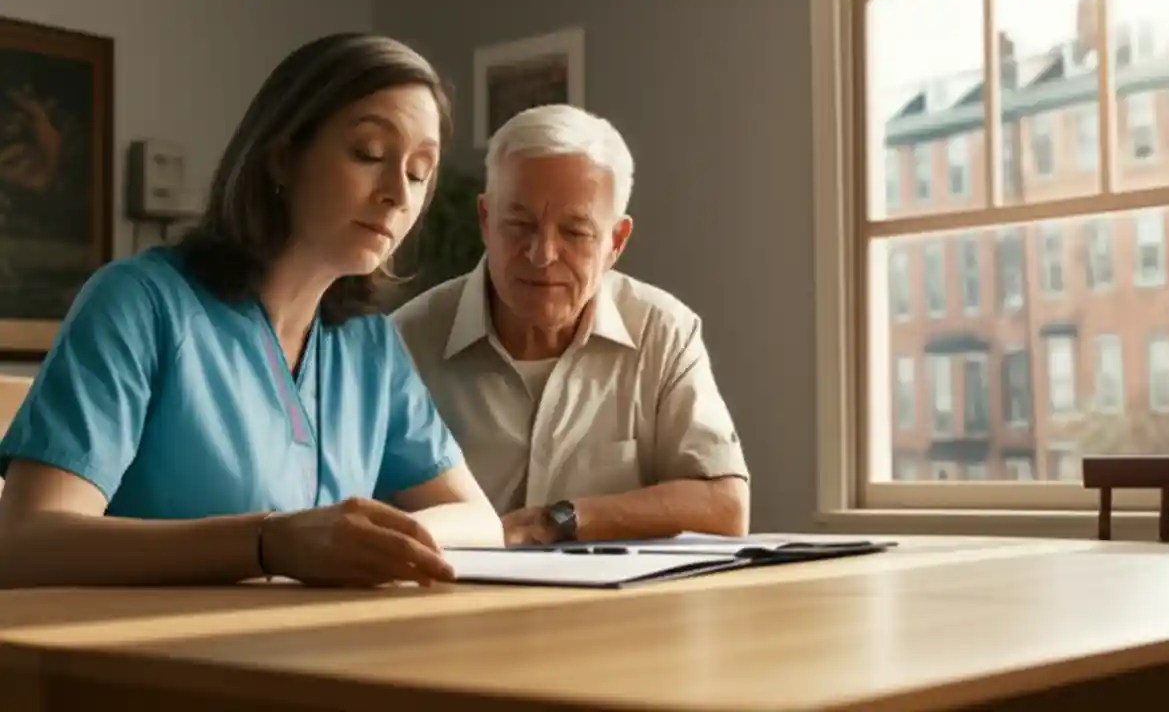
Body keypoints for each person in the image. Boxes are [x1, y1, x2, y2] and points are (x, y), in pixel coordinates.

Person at [0, 33, 503, 589]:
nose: (398, 194)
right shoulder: (139, 303)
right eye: (369, 154)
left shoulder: (368, 344)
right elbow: (25, 543)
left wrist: (372, 543)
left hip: (313, 661)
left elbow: (481, 521)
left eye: (418, 171)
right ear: (282, 155)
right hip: (149, 665)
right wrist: (267, 542)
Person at [393, 104, 749, 546]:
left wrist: (561, 519)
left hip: (617, 613)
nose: (542, 254)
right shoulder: (403, 343)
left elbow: (726, 504)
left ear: (616, 241)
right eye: (519, 225)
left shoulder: (663, 332)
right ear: (486, 221)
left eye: (575, 232)